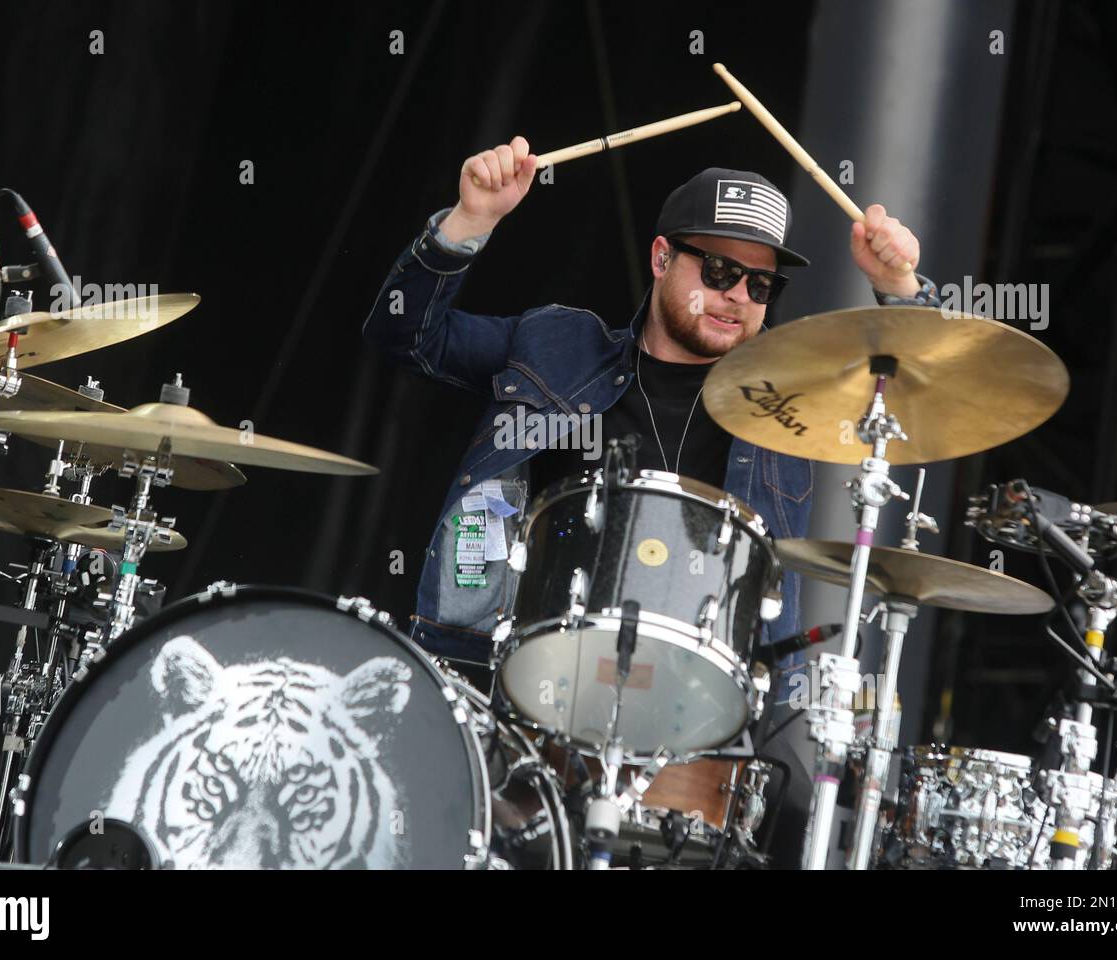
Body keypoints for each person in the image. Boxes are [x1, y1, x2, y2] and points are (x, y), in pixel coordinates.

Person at [363, 135, 939, 670]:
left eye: (760, 285)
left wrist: (901, 290)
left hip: (710, 706)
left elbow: (932, 397)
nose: (737, 295)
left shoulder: (793, 394)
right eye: (718, 271)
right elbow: (401, 334)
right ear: (662, 258)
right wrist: (470, 221)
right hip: (523, 677)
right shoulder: (553, 347)